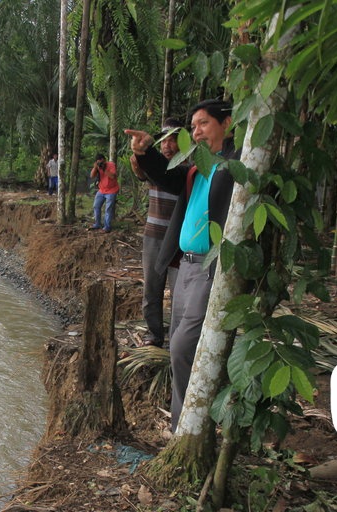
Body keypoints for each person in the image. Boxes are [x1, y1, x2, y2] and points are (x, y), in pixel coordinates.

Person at [125, 99, 240, 431]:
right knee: (181, 345)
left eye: (203, 123)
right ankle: (182, 427)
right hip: (185, 266)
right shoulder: (198, 169)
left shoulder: (234, 165)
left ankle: (196, 426)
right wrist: (146, 152)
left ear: (227, 124)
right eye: (193, 126)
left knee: (182, 346)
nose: (196, 132)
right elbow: (168, 177)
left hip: (211, 268)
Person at [128, 118, 183, 347]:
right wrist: (140, 159)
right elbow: (143, 172)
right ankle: (154, 334)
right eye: (164, 141)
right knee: (152, 289)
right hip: (154, 236)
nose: (167, 146)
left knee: (180, 293)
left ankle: (178, 340)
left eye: (173, 140)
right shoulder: (155, 165)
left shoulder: (188, 168)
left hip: (180, 239)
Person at [89, 154, 119, 233]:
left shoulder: (111, 165)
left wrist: (104, 169)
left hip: (111, 190)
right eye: (99, 162)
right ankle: (97, 224)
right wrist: (95, 167)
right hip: (102, 190)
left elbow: (112, 176)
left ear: (105, 160)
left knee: (108, 209)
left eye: (102, 162)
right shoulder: (98, 167)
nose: (101, 164)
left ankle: (107, 227)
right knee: (96, 206)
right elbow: (92, 176)